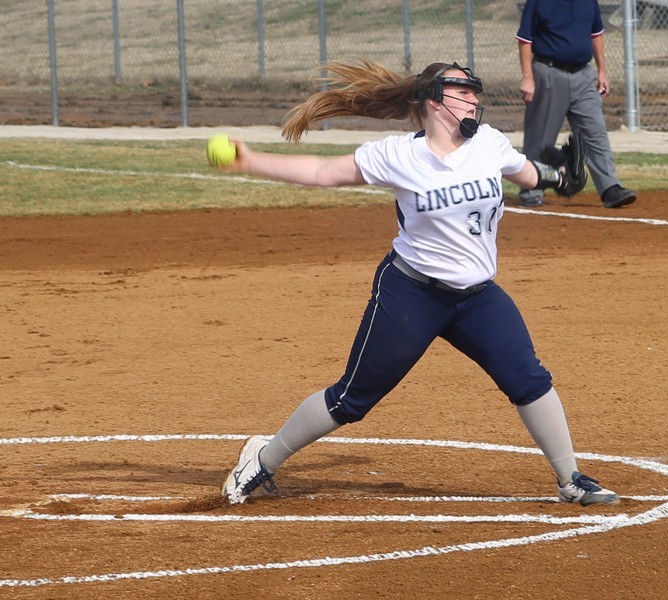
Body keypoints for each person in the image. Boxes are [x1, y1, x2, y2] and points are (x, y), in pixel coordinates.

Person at [214, 59, 619, 507]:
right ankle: (262, 459)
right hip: (411, 294)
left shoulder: (488, 142)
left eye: (474, 91)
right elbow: (323, 173)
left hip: (477, 297)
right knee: (353, 398)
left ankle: (569, 479)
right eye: (463, 91)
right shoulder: (397, 155)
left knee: (528, 379)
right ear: (433, 100)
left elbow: (525, 172)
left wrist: (560, 177)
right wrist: (250, 161)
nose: (474, 99)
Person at [516, 0, 637, 209]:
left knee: (595, 132)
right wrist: (528, 77)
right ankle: (532, 188)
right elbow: (525, 39)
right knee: (541, 135)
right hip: (549, 72)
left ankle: (610, 188)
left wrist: (601, 71)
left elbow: (596, 34)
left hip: (583, 74)